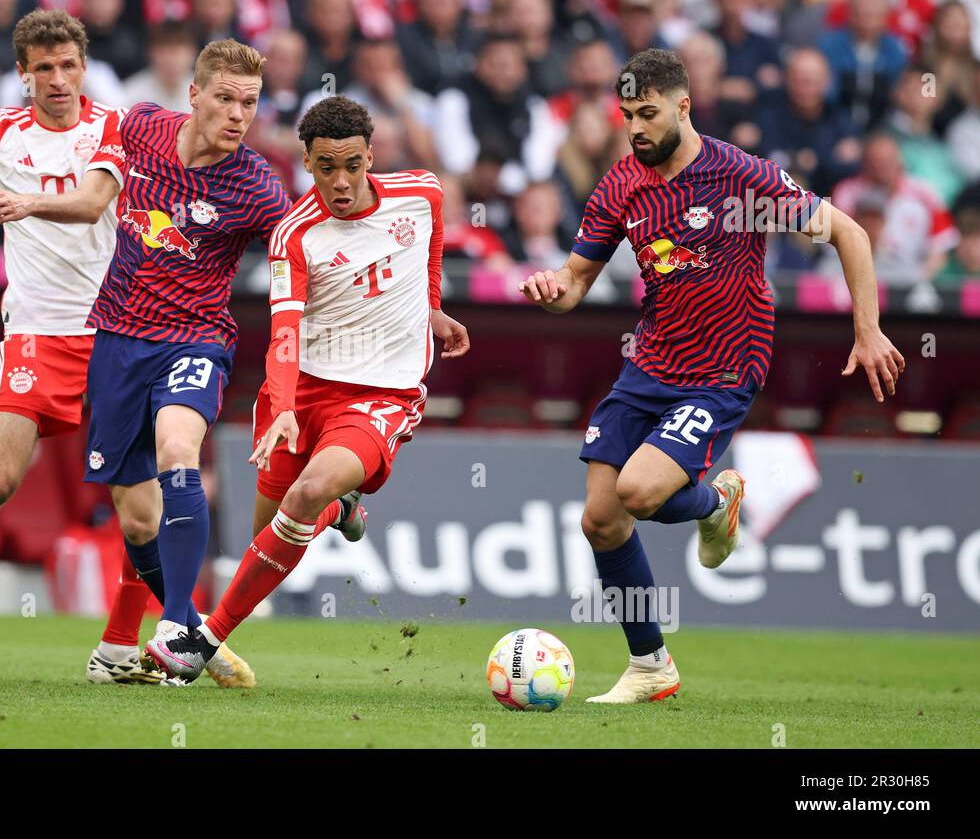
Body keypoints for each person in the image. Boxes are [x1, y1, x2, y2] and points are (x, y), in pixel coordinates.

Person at [0, 12, 254, 689]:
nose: (58, 79)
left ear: (83, 67)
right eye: (44, 68)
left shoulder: (117, 128)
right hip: (36, 333)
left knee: (140, 511)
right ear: (23, 73)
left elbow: (92, 203)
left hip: (119, 333)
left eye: (67, 65)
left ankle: (121, 648)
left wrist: (25, 203)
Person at [517, 49, 905, 704]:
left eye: (647, 114)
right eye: (627, 115)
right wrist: (552, 288)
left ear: (683, 105)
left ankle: (715, 503)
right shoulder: (620, 186)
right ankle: (651, 666)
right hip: (649, 362)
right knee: (600, 520)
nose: (635, 128)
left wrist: (867, 331)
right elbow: (576, 281)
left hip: (724, 367)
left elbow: (850, 234)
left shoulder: (739, 175)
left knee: (639, 491)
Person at [142, 95, 470, 681]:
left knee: (305, 495)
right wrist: (286, 407)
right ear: (307, 163)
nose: (340, 182)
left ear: (371, 156)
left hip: (380, 395)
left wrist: (433, 306)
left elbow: (432, 243)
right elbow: (285, 334)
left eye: (352, 165)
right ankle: (340, 508)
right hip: (301, 392)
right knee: (268, 536)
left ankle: (202, 641)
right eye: (326, 167)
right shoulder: (295, 235)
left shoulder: (423, 193)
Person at [0, 38, 291, 680]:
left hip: (196, 338)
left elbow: (304, 257)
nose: (237, 115)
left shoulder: (259, 187)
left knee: (178, 451)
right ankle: (179, 625)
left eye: (249, 103)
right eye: (225, 98)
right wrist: (30, 197)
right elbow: (89, 193)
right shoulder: (140, 127)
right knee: (136, 521)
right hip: (118, 340)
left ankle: (177, 631)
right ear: (193, 94)